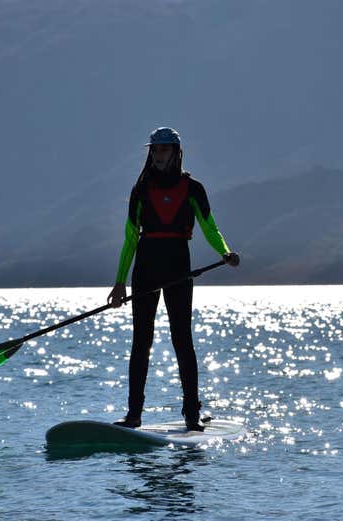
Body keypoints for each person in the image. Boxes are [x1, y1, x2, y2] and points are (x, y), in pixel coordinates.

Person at [107, 127, 240, 431]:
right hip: (146, 266)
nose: (158, 154)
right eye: (155, 149)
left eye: (165, 149)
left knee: (182, 340)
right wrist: (119, 282)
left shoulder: (193, 189)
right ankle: (134, 414)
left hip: (179, 265)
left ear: (176, 153)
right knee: (141, 340)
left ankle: (191, 415)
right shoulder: (140, 190)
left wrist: (225, 252)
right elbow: (130, 239)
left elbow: (209, 227)